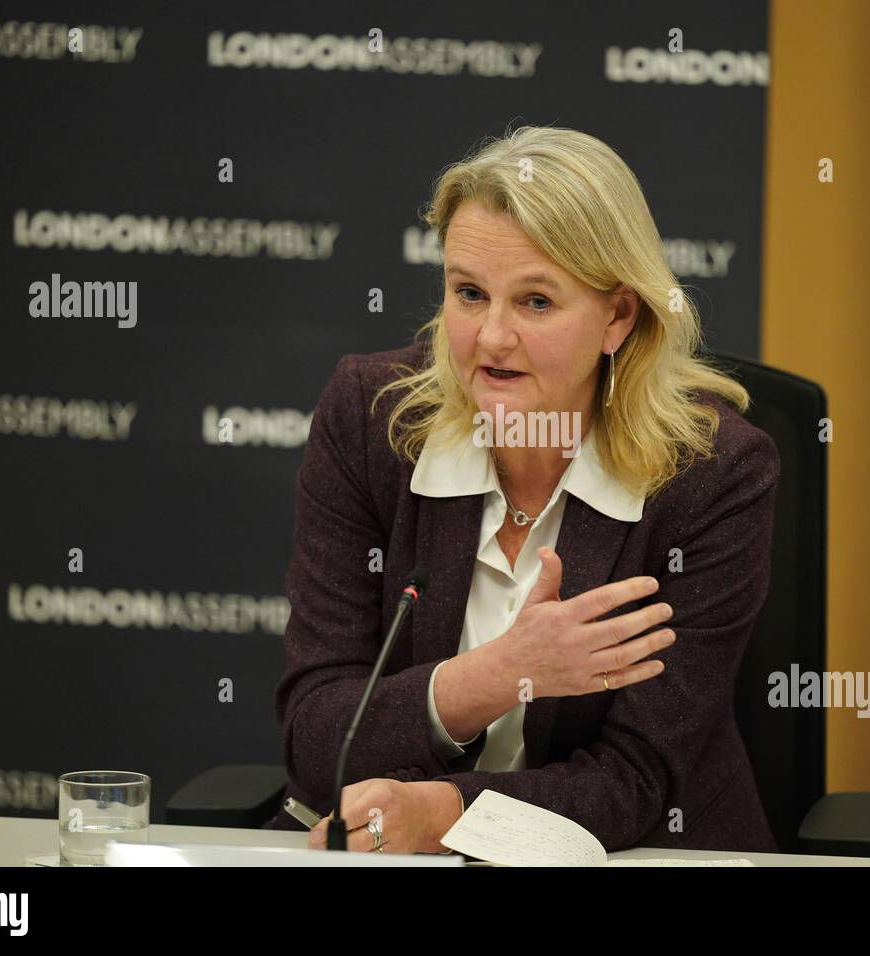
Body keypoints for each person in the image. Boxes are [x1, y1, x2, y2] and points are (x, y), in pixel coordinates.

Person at [272, 125, 780, 855]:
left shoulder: (710, 474)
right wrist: (496, 676)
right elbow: (318, 738)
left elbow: (632, 780)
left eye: (536, 302)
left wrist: (444, 814)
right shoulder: (373, 420)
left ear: (618, 315)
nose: (491, 338)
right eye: (469, 293)